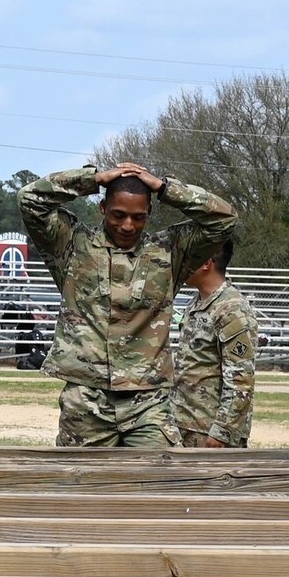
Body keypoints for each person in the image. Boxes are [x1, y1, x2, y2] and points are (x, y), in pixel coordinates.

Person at [17, 162, 237, 446]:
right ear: (103, 208)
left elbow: (224, 219)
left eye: (138, 217)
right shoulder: (71, 243)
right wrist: (93, 179)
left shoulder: (169, 251)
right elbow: (29, 199)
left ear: (149, 213)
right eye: (118, 215)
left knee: (159, 471)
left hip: (148, 402)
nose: (128, 226)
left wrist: (164, 187)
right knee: (83, 475)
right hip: (86, 401)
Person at [171, 239, 258, 447]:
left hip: (209, 432)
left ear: (206, 263)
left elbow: (241, 379)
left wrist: (222, 431)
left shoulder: (232, 309)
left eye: (187, 259)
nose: (181, 264)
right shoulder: (197, 303)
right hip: (187, 426)